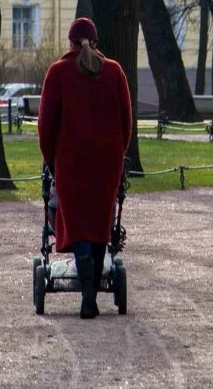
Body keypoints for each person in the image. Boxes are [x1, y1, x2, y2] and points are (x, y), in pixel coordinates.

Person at [37, 16, 133, 318]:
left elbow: (45, 127)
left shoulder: (58, 72)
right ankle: (92, 292)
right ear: (96, 41)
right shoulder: (115, 72)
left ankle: (87, 292)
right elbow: (126, 122)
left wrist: (53, 160)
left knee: (77, 221)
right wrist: (117, 153)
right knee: (100, 222)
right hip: (107, 159)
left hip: (70, 158)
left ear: (70, 42)